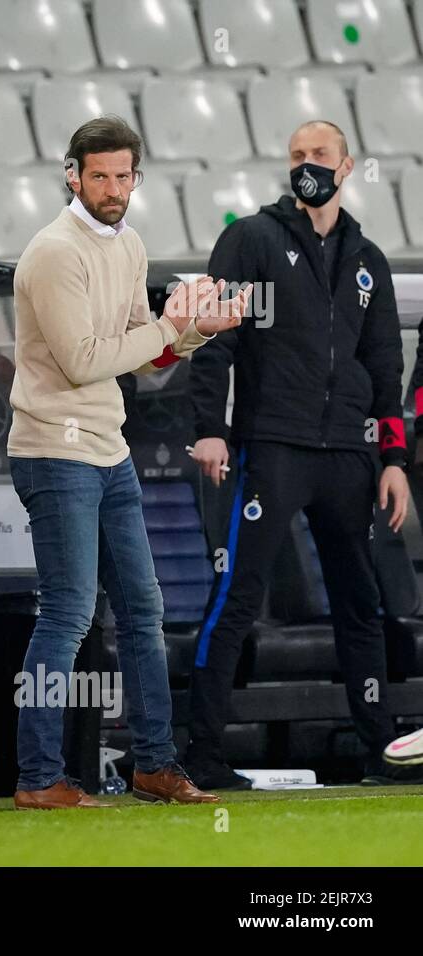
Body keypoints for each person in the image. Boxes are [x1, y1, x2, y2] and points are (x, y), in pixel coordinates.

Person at [8, 115, 246, 809]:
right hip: (55, 449)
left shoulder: (129, 243)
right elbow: (85, 362)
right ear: (72, 175)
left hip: (106, 450)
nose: (113, 188)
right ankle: (37, 777)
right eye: (100, 175)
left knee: (143, 609)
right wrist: (172, 326)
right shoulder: (55, 251)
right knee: (69, 613)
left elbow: (135, 356)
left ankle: (152, 765)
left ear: (136, 178)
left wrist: (196, 333)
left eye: (123, 176)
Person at [187, 120, 410, 789]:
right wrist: (211, 427)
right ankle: (201, 755)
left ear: (347, 167)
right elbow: (214, 338)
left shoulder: (367, 260)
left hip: (348, 454)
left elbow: (384, 363)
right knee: (236, 597)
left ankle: (380, 751)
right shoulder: (252, 239)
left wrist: (393, 459)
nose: (306, 165)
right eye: (296, 156)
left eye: (319, 155)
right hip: (274, 447)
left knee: (360, 603)